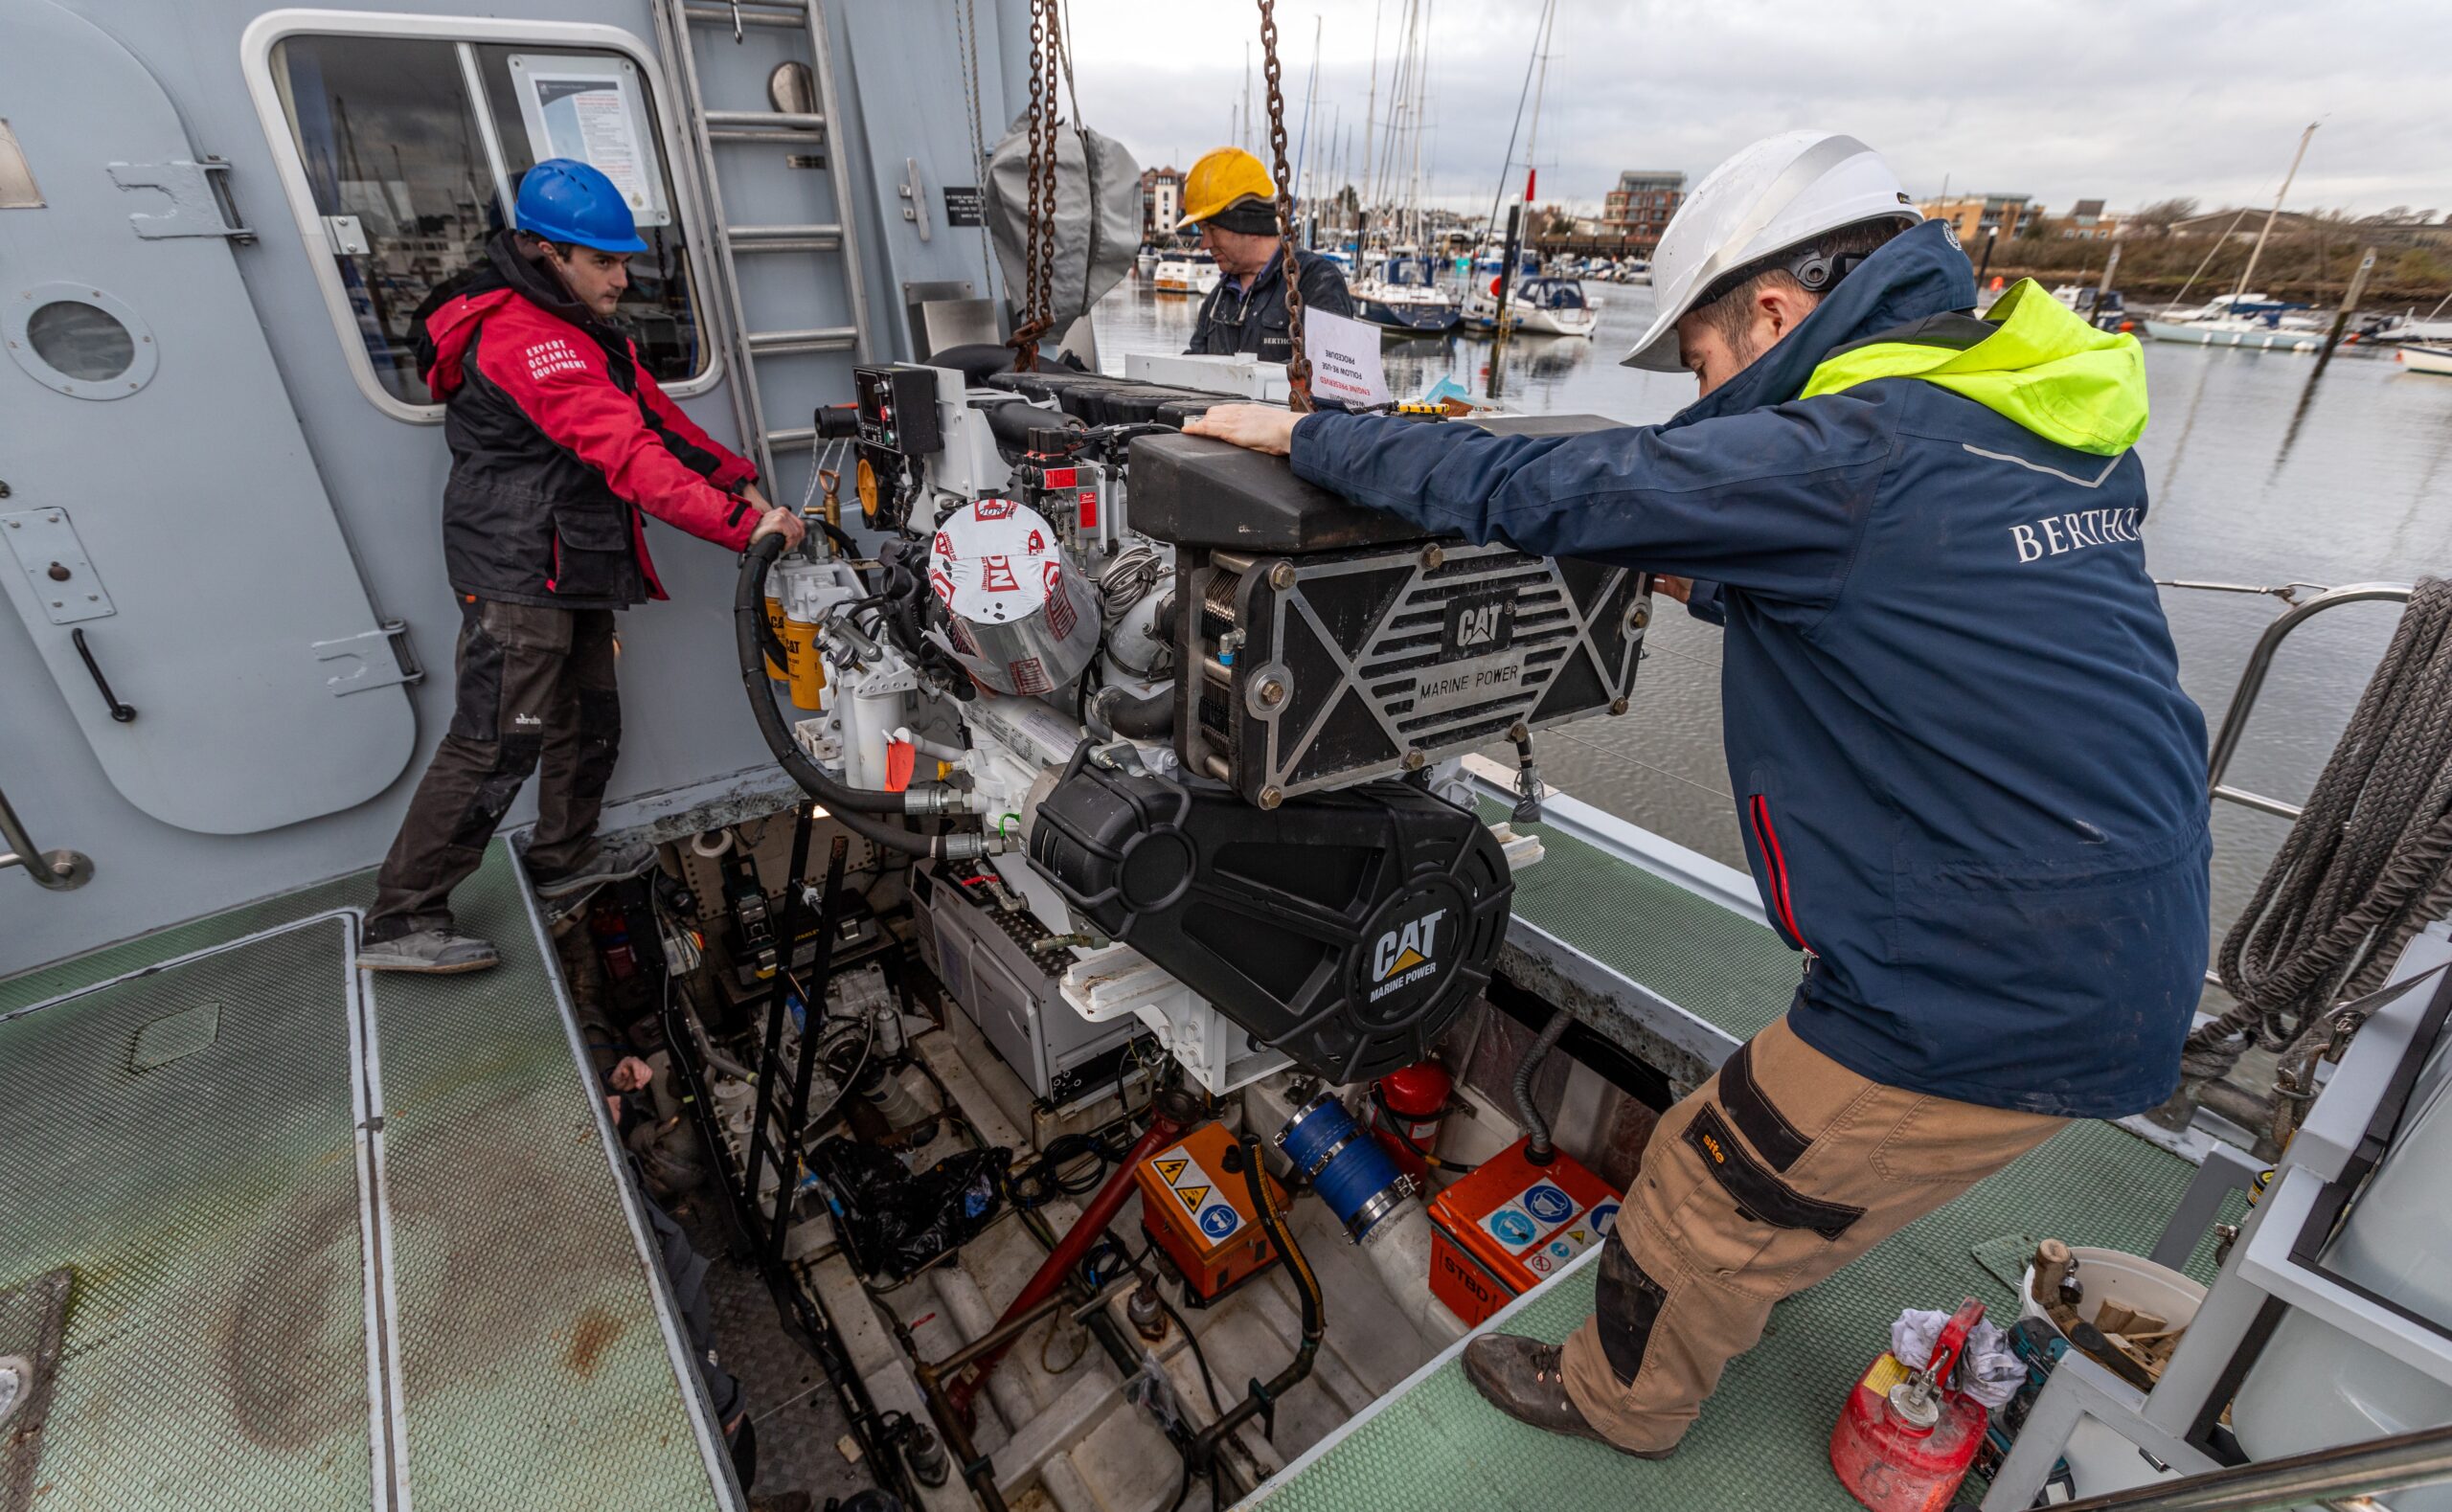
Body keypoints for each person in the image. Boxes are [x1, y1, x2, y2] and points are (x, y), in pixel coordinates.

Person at [1186, 130, 2210, 1457]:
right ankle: (1760, 1259)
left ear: (1777, 310)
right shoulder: (2022, 410)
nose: (1709, 390)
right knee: (1790, 1168)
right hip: (2116, 926)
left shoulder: (1851, 447)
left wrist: (1318, 437)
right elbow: (1896, 586)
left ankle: (1622, 1403)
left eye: (1709, 360)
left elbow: (1550, 484)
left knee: (1697, 1178)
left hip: (1987, 979)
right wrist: (1701, 564)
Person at [361, 159, 804, 974]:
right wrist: (747, 528)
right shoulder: (528, 341)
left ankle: (565, 854)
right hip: (519, 565)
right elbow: (629, 455)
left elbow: (657, 420)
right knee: (497, 740)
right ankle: (402, 917)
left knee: (589, 721)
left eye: (625, 259)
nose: (622, 277)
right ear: (543, 253)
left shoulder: (579, 331)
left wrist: (730, 472)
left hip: (572, 559)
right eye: (603, 261)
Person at [1174, 147, 1353, 360]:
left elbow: (1330, 374)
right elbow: (1195, 370)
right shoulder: (1217, 299)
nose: (1204, 243)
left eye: (1211, 230)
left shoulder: (1316, 281)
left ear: (1245, 222)